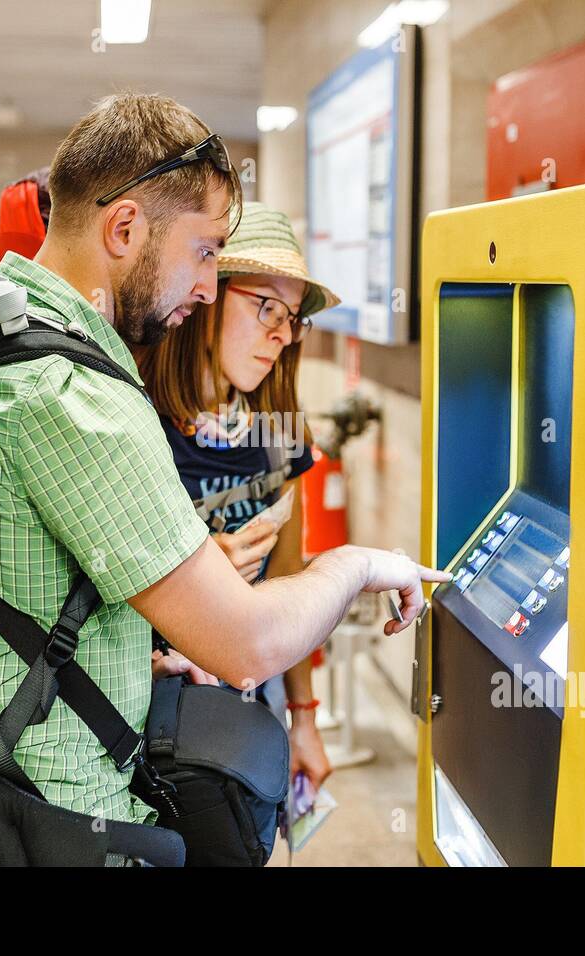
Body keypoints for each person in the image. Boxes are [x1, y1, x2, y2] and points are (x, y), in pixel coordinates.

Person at [0, 92, 448, 828]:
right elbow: (249, 644)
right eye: (205, 253)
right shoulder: (73, 396)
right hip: (60, 816)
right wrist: (359, 566)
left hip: (9, 788)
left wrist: (131, 653)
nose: (206, 288)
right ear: (125, 227)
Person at [133, 201, 340, 791]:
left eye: (294, 318)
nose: (281, 334)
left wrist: (304, 718)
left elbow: (289, 578)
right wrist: (201, 575)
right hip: (155, 708)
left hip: (252, 702)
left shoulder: (277, 430)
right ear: (208, 295)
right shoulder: (139, 422)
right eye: (266, 307)